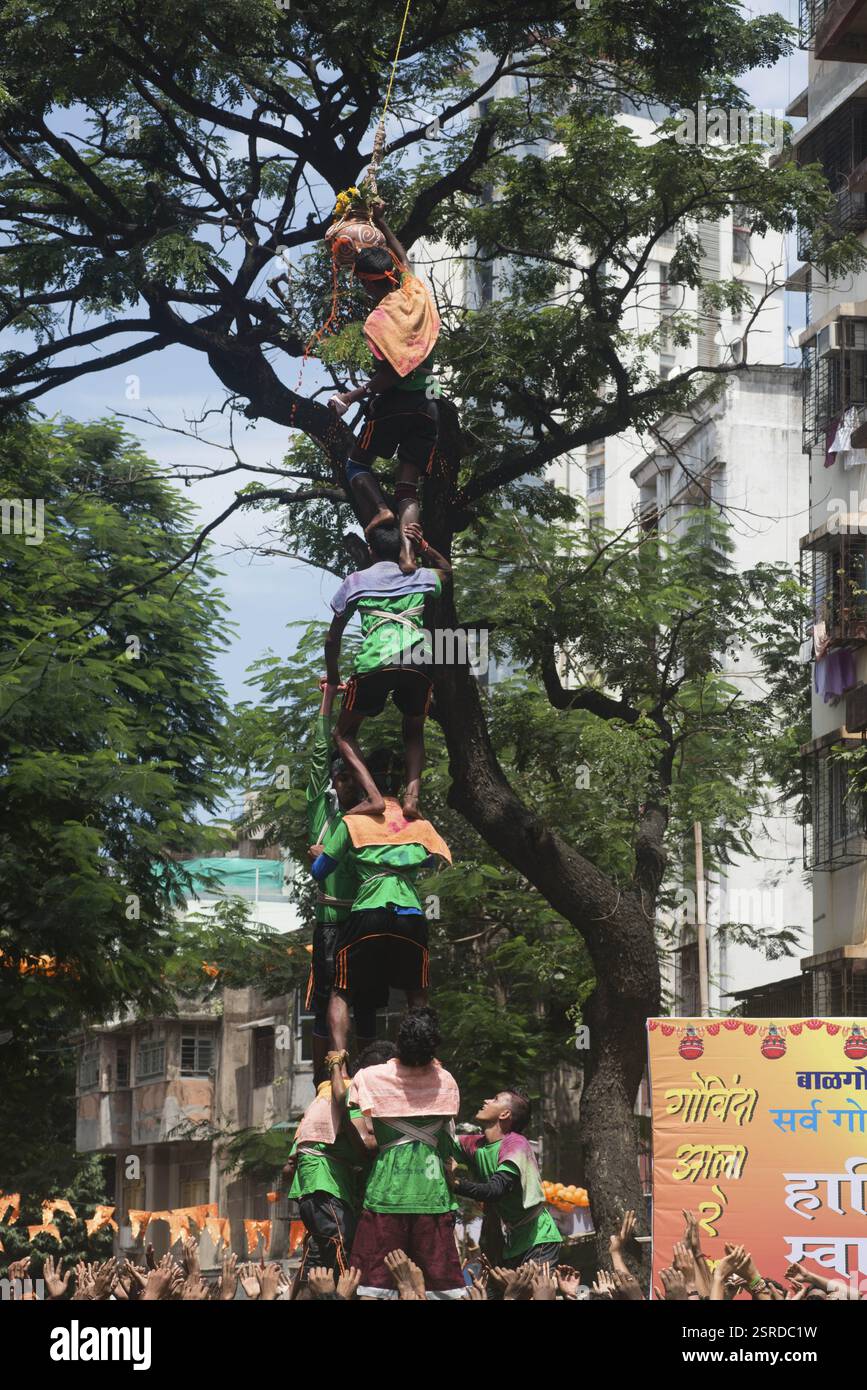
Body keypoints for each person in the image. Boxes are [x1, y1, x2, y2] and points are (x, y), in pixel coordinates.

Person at [308, 748, 451, 1054]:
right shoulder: (417, 822)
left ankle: (338, 1063)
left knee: (341, 991)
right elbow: (428, 861)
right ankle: (422, 1057)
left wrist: (320, 856)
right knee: (416, 991)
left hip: (368, 912)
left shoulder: (354, 821)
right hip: (410, 913)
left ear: (366, 781)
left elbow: (321, 870)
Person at [328, 205, 441, 574]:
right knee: (408, 485)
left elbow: (392, 373)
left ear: (372, 282)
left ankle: (379, 508)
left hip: (397, 402)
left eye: (362, 282)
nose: (361, 287)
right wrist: (380, 221)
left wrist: (351, 396)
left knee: (356, 463)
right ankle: (409, 555)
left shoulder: (381, 320)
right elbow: (403, 256)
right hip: (430, 404)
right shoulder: (415, 290)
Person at [324, 520, 452, 819]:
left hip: (375, 663)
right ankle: (411, 800)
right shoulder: (420, 575)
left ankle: (373, 797)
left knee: (343, 734)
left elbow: (333, 639)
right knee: (413, 730)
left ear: (370, 550)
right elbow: (446, 571)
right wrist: (423, 545)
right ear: (401, 550)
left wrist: (334, 677)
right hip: (419, 660)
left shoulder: (355, 581)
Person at [346, 1007, 465, 1299]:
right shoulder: (446, 1081)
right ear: (433, 1045)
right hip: (433, 1197)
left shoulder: (368, 1078)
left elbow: (353, 1126)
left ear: (399, 1039)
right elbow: (447, 1142)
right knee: (444, 1292)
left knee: (372, 1289)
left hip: (385, 1195)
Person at [283, 1040, 397, 1280]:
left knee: (319, 1262)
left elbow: (288, 1167)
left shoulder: (322, 1099)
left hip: (316, 1187)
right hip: (325, 1187)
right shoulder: (352, 1093)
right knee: (341, 1250)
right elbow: (366, 1143)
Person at [305, 680, 373, 1078]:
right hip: (331, 922)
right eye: (341, 777)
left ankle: (368, 1078)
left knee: (365, 1003)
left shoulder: (372, 816)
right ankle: (324, 1081)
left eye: (355, 777)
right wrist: (329, 697)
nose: (348, 784)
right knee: (325, 1000)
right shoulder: (324, 814)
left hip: (363, 920)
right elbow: (318, 755)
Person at [447, 1089, 563, 1270]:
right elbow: (442, 1141)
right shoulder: (476, 1145)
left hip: (539, 1240)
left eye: (494, 1098)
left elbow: (495, 1191)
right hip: (512, 1243)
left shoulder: (515, 1144)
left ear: (505, 1114)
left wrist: (455, 1184)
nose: (486, 1100)